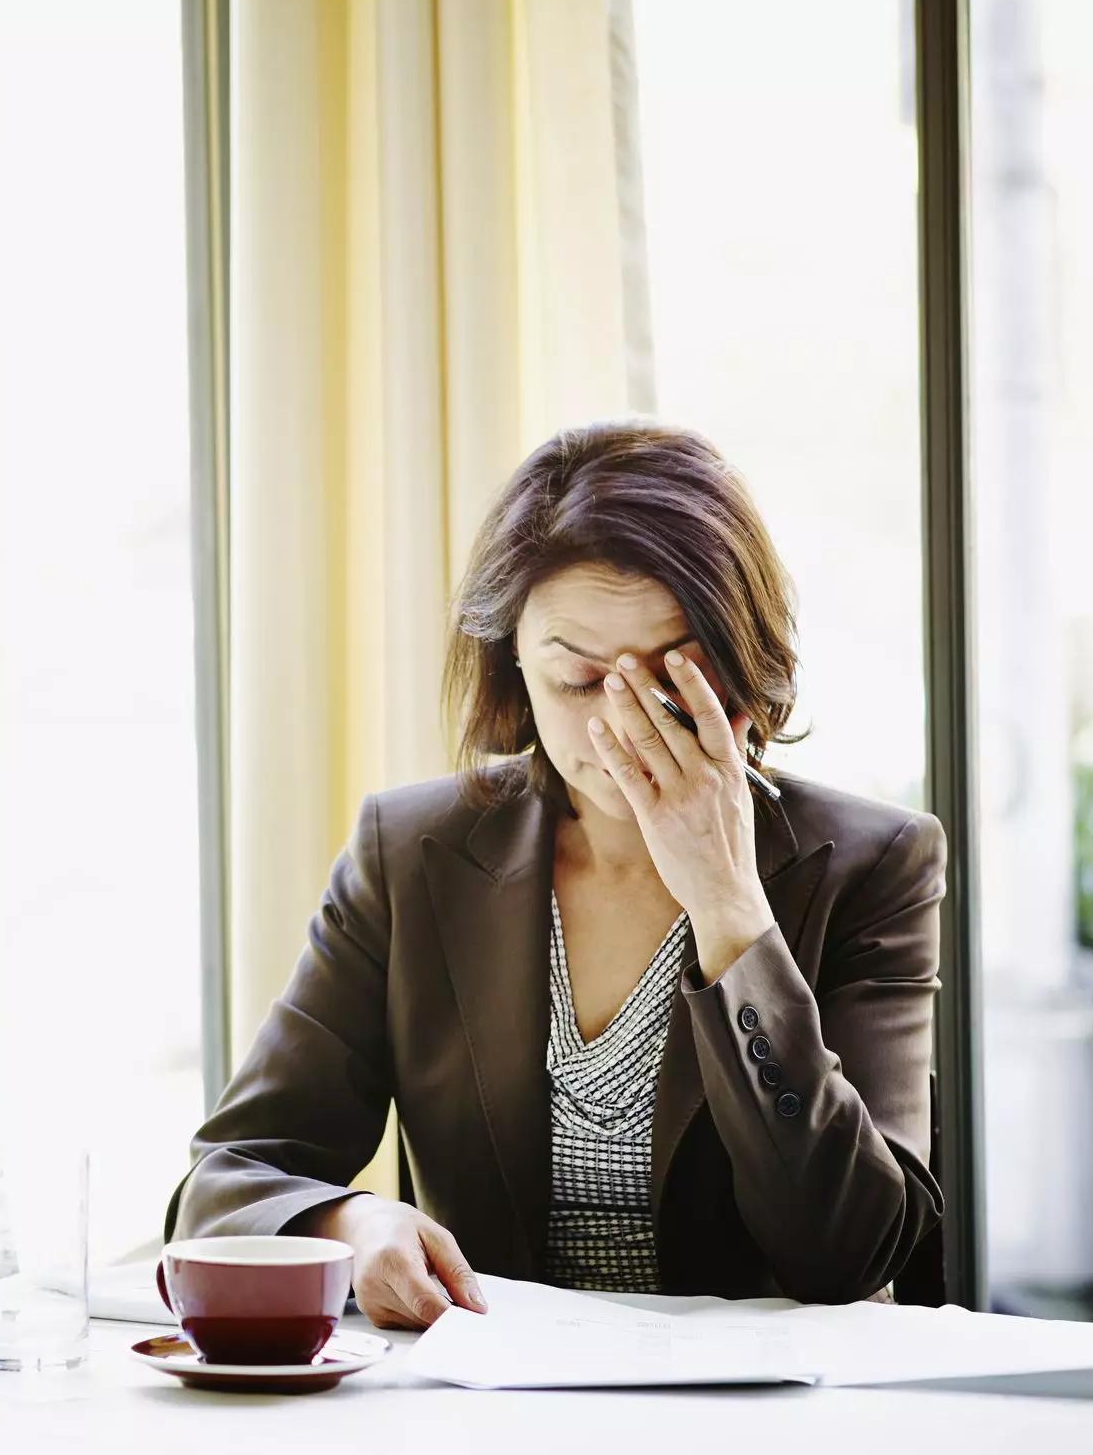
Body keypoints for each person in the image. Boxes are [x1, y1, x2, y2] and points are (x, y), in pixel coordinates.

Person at [166, 420, 945, 1327]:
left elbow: (848, 1254)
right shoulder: (411, 853)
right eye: (578, 680)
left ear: (740, 664)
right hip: (494, 1400)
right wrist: (350, 1217)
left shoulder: (873, 863)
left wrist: (729, 903)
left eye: (675, 675)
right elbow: (221, 1187)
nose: (621, 725)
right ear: (516, 671)